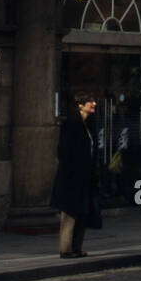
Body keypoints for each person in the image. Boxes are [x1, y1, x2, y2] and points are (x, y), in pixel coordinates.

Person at [51, 90, 101, 257]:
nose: (94, 104)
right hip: (71, 178)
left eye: (93, 101)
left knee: (82, 213)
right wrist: (73, 172)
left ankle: (77, 248)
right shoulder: (71, 124)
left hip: (85, 177)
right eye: (90, 101)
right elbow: (64, 152)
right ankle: (65, 249)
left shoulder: (89, 124)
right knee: (70, 213)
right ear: (80, 105)